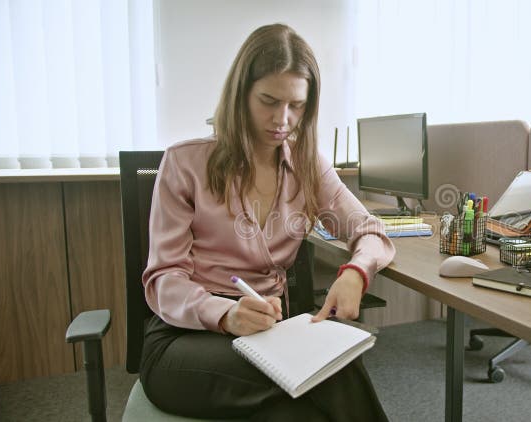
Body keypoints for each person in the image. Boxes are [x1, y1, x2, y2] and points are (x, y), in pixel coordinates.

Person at [140, 23, 395, 421]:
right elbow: (164, 281)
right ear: (240, 94)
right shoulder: (184, 164)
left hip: (268, 336)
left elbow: (371, 231)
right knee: (335, 377)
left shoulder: (308, 167)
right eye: (269, 101)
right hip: (184, 339)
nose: (283, 119)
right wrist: (225, 314)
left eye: (297, 105)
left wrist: (355, 273)